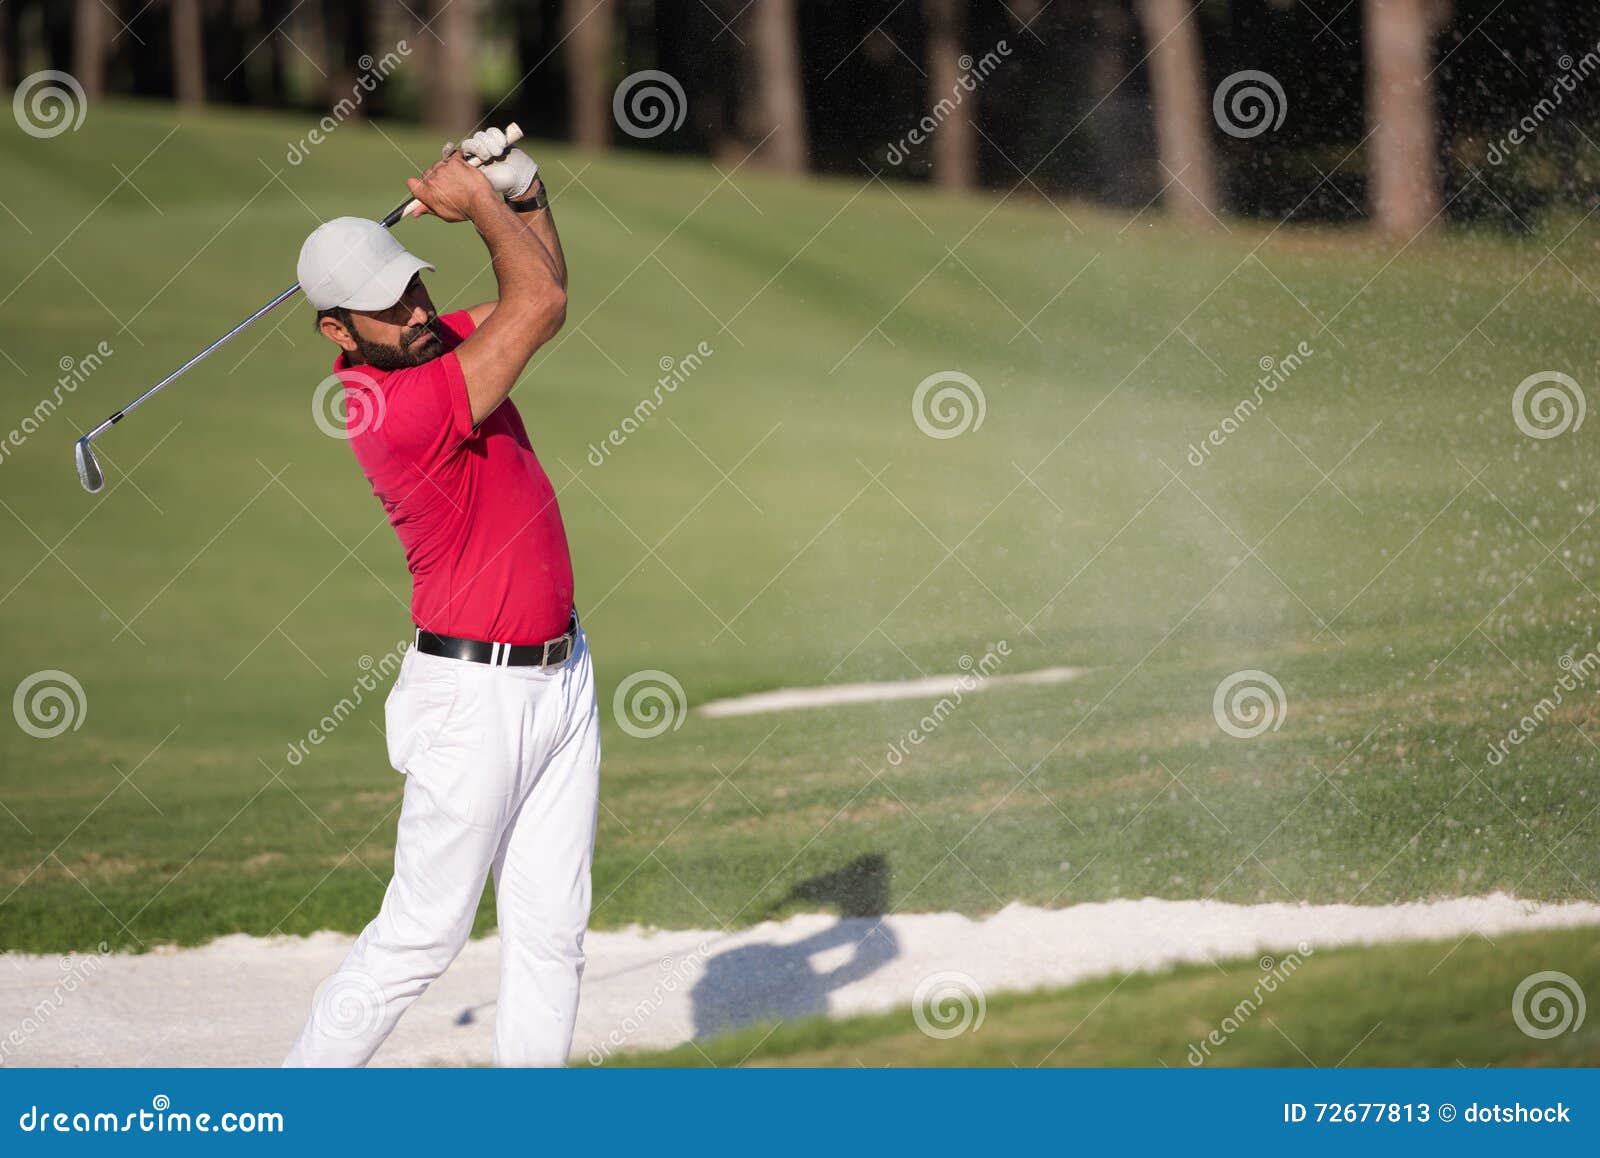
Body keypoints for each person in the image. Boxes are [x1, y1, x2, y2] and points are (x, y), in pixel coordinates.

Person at [283, 129, 597, 1067]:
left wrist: (522, 188)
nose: (416, 310)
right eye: (387, 307)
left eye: (414, 286)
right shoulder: (388, 410)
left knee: (551, 934)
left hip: (561, 676)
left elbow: (543, 295)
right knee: (421, 934)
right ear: (339, 331)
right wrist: (481, 205)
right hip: (473, 701)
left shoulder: (434, 347)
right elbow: (534, 300)